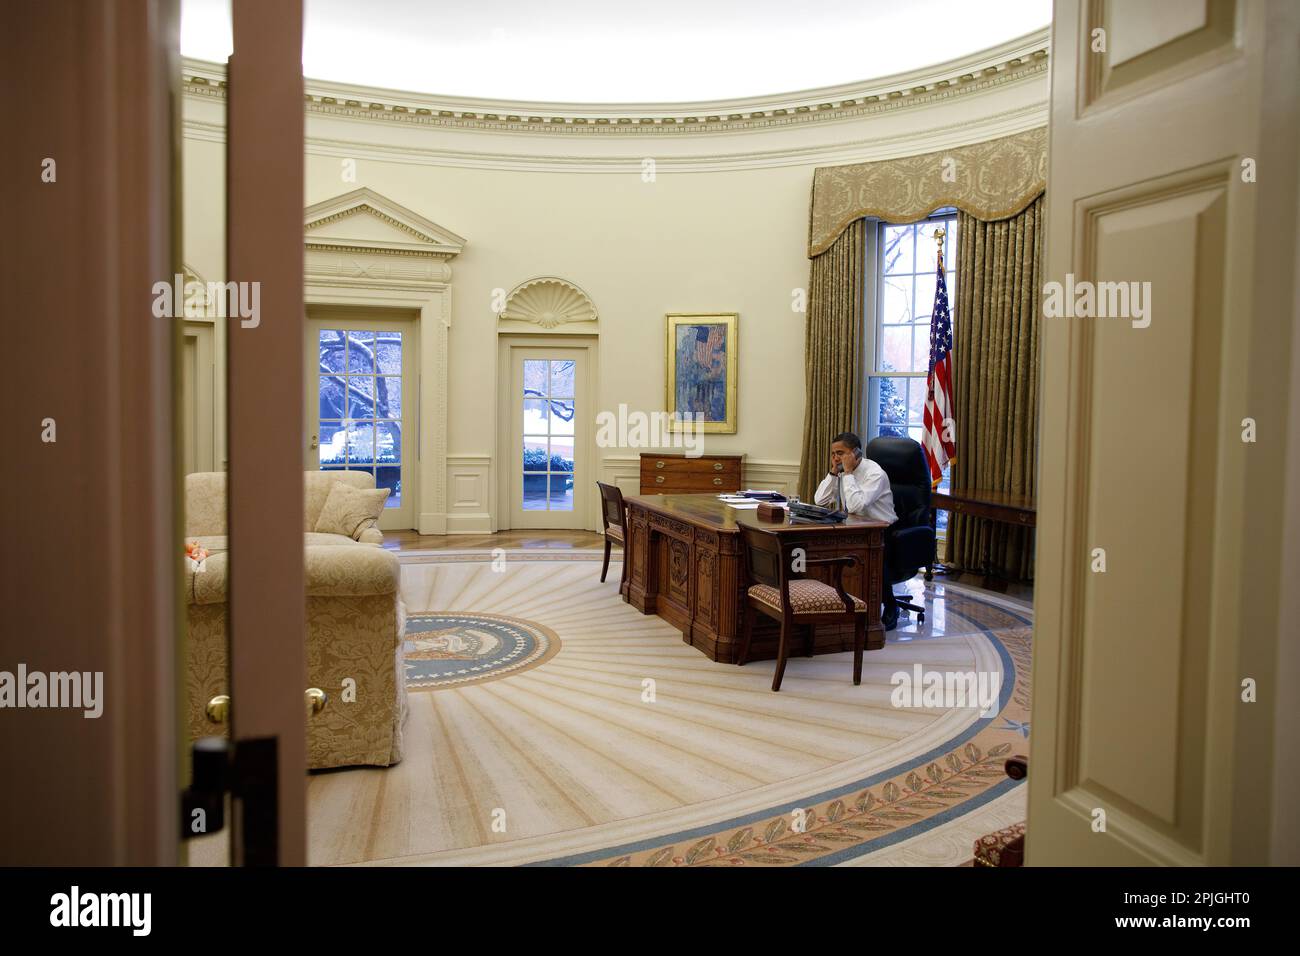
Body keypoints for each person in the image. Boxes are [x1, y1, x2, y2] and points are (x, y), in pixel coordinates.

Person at [813, 432, 903, 630]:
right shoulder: (842, 471)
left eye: (841, 453)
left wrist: (848, 474)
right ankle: (843, 601)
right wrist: (834, 473)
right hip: (854, 526)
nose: (836, 458)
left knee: (873, 562)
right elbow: (819, 500)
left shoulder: (875, 474)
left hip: (882, 529)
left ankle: (890, 606)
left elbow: (855, 505)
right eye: (833, 454)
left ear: (855, 453)